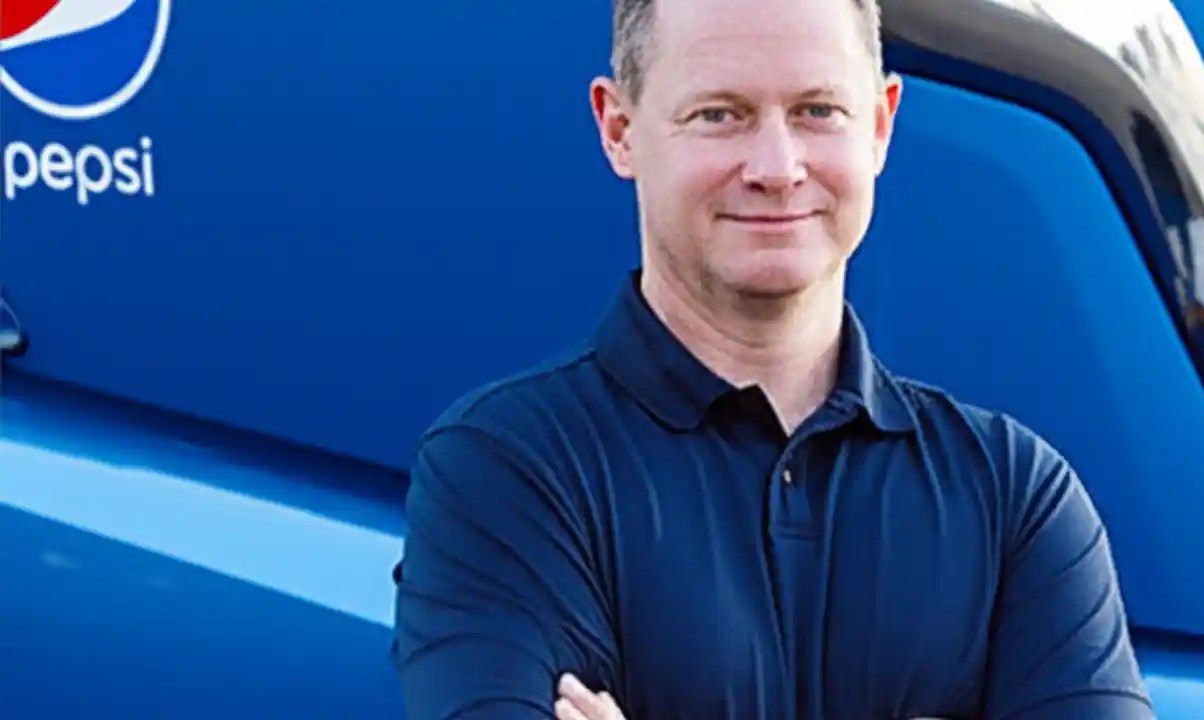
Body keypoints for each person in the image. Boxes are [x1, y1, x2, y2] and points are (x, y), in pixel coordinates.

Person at [391, 0, 1156, 717]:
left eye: (817, 111)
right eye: (720, 115)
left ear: (881, 125)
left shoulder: (1018, 500)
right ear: (619, 129)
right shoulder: (505, 474)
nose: (777, 166)